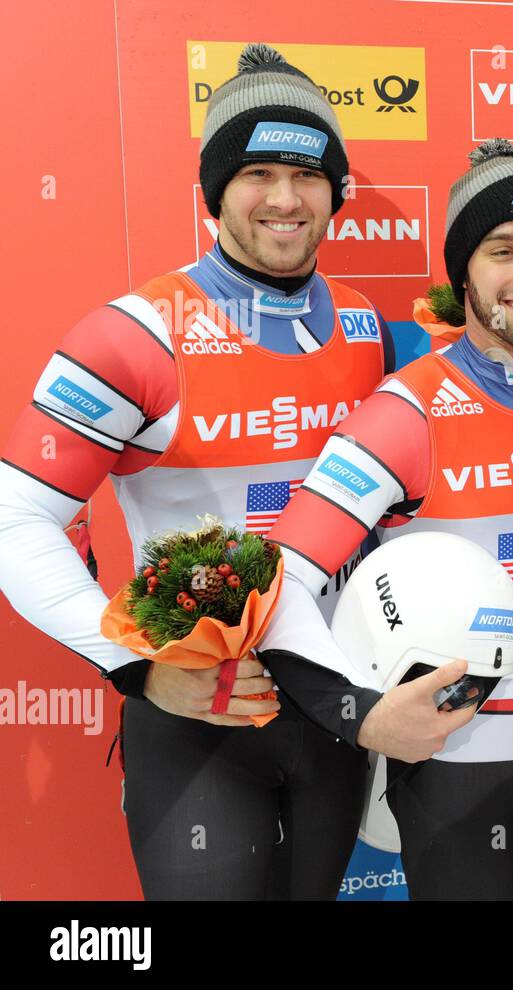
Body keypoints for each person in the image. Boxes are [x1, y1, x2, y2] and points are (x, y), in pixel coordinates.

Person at [0, 44, 467, 899]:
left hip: (334, 708)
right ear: (214, 191)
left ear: (336, 192)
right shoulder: (134, 334)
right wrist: (141, 668)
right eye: (256, 172)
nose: (285, 200)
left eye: (307, 173)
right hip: (199, 716)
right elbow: (14, 522)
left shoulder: (371, 331)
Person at [255, 139, 513, 901]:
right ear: (464, 273)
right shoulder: (407, 408)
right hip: (457, 767)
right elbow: (281, 579)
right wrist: (358, 717)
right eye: (502, 250)